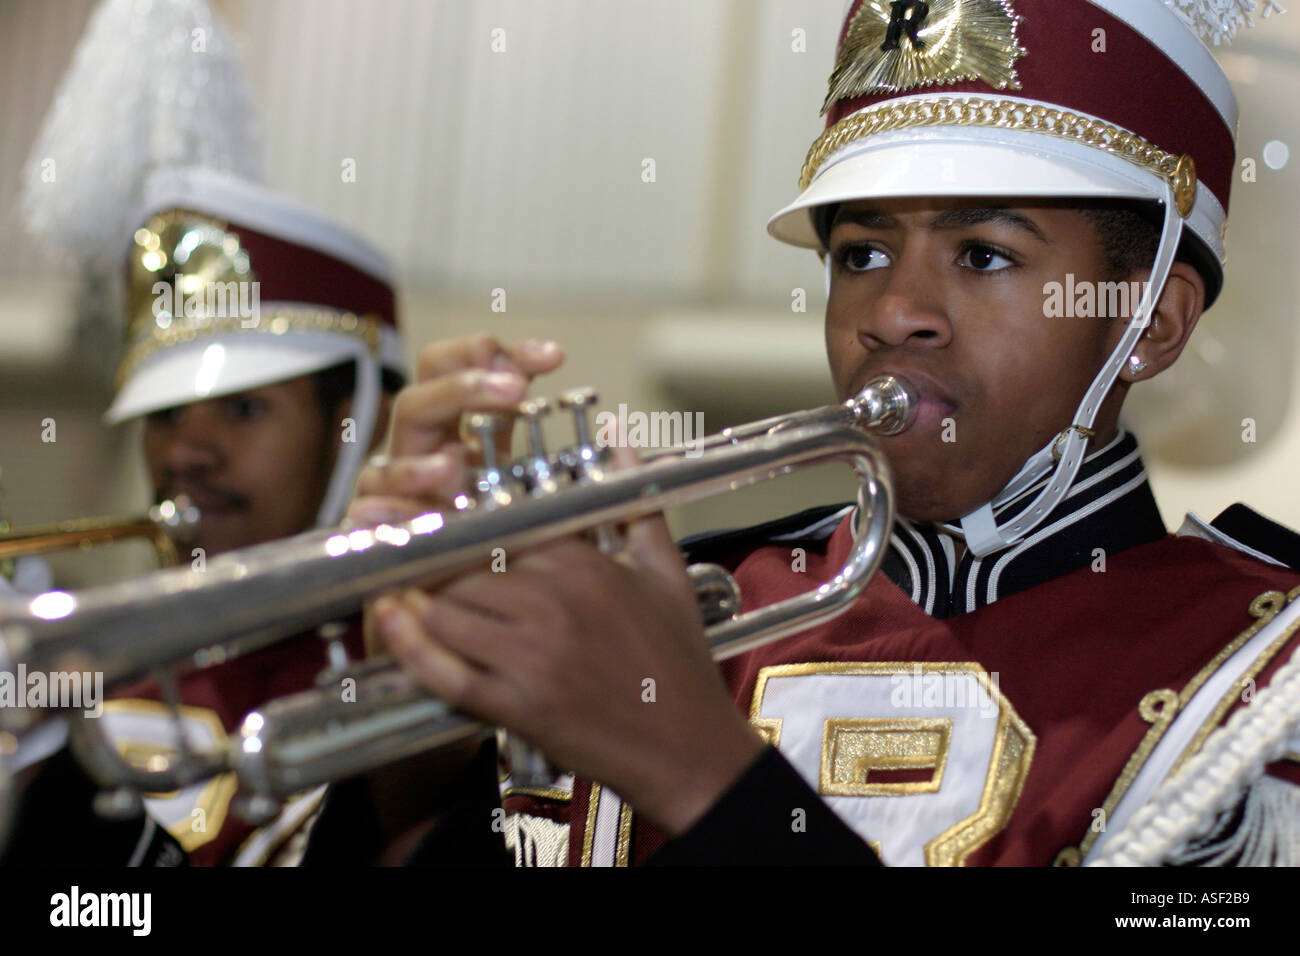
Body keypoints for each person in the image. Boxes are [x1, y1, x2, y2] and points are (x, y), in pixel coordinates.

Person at [312, 0, 1300, 867]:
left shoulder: (1268, 680)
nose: (896, 308)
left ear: (1149, 322)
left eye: (983, 253)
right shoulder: (700, 604)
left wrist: (695, 765)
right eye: (861, 250)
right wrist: (421, 727)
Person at [3, 167, 406, 867]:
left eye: (244, 408)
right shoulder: (107, 696)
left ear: (356, 426)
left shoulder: (413, 700)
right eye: (163, 415)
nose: (184, 451)